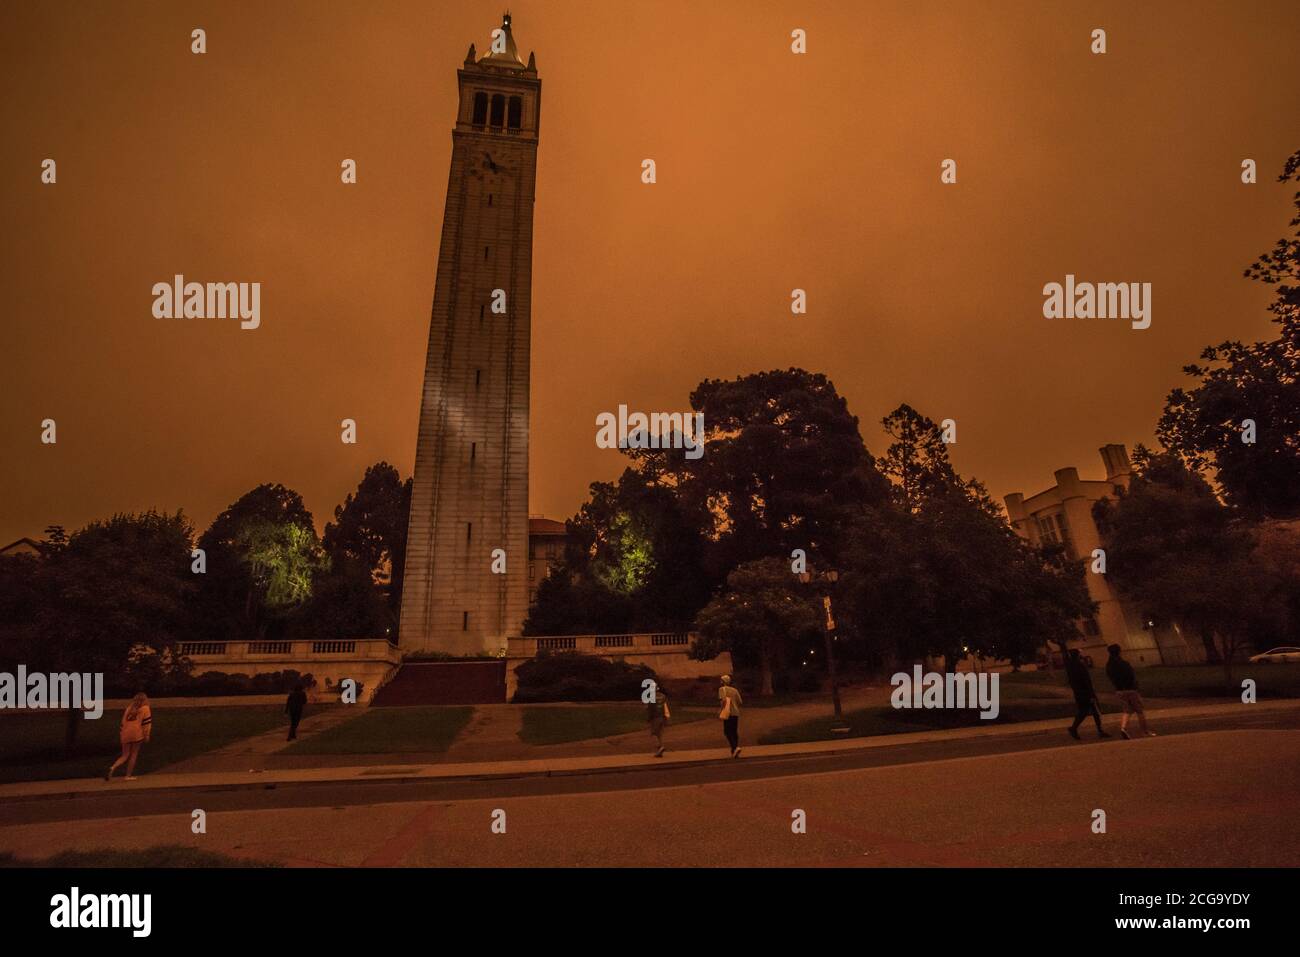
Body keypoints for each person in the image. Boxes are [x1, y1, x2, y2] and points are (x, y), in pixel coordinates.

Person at [1105, 644, 1155, 739]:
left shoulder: (1109, 665)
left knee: (1127, 711)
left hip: (1119, 690)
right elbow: (1131, 676)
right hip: (1130, 689)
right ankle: (1145, 731)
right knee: (1139, 711)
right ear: (1119, 651)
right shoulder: (1124, 663)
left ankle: (1123, 728)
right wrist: (1135, 686)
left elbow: (1111, 677)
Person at [1064, 648, 1110, 740]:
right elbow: (1086, 681)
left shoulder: (1070, 667)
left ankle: (1074, 728)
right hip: (1086, 692)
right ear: (1077, 655)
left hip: (1078, 693)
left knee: (1083, 711)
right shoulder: (1080, 666)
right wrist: (1091, 694)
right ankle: (1100, 731)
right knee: (1095, 711)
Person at [106, 693, 152, 781]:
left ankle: (112, 767)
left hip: (125, 733)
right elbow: (147, 723)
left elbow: (123, 723)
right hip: (137, 733)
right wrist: (147, 735)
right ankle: (128, 775)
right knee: (134, 754)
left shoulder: (128, 709)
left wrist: (121, 733)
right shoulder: (145, 708)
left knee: (125, 755)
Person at [718, 675, 743, 758]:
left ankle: (734, 747)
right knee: (734, 731)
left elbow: (723, 700)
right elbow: (740, 701)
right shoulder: (735, 690)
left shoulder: (722, 689)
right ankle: (735, 750)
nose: (720, 682)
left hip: (727, 712)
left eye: (721, 680)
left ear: (723, 681)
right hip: (735, 712)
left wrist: (721, 710)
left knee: (727, 731)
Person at [647, 683, 670, 757]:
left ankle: (660, 747)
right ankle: (660, 751)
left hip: (655, 717)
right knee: (660, 734)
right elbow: (665, 707)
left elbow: (651, 709)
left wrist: (649, 718)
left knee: (653, 734)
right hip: (662, 717)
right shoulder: (663, 696)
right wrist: (666, 717)